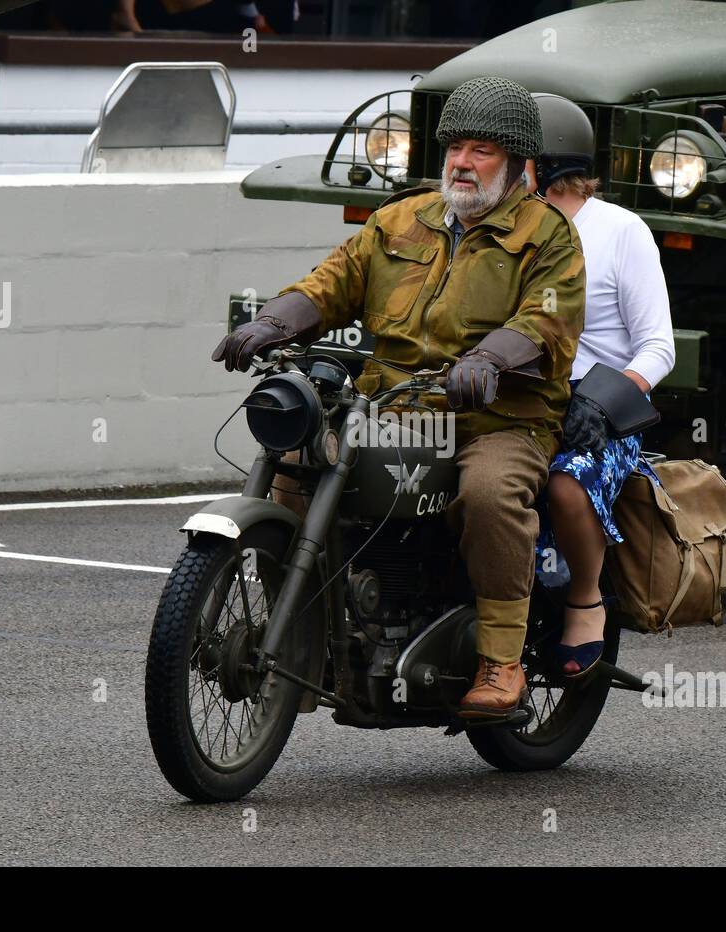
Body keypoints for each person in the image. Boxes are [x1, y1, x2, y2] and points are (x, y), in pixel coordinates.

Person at [212, 76, 587, 719]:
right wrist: (272, 322)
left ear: (520, 163)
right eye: (455, 149)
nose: (463, 164)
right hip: (390, 408)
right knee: (301, 463)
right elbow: (331, 283)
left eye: (482, 151)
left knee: (490, 492)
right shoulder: (399, 219)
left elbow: (546, 323)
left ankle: (501, 663)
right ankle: (301, 638)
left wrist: (490, 360)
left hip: (496, 420)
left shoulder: (547, 236)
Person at [527, 93, 676, 678]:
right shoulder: (506, 228)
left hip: (599, 415)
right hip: (521, 406)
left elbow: (658, 348)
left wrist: (599, 400)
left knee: (566, 485)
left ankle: (585, 597)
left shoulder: (621, 232)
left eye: (518, 159)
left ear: (550, 168)